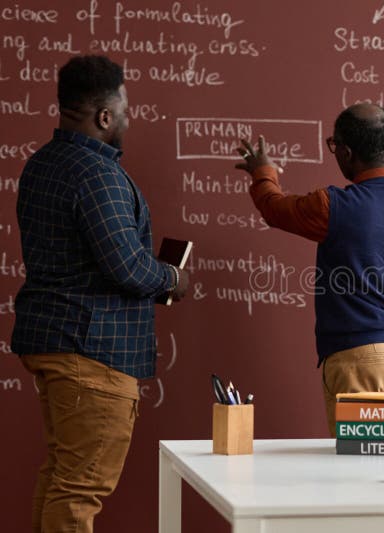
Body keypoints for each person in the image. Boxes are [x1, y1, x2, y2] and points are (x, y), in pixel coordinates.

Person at [11, 55, 189, 532]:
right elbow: (127, 268)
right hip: (93, 354)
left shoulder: (40, 165)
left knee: (61, 480)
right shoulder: (97, 174)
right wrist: (174, 278)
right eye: (125, 109)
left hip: (57, 345)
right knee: (79, 492)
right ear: (104, 116)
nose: (129, 119)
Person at [236, 103, 384, 436]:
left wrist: (263, 173)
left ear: (347, 152)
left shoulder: (332, 206)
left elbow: (275, 209)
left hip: (359, 361)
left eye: (334, 146)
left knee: (361, 474)